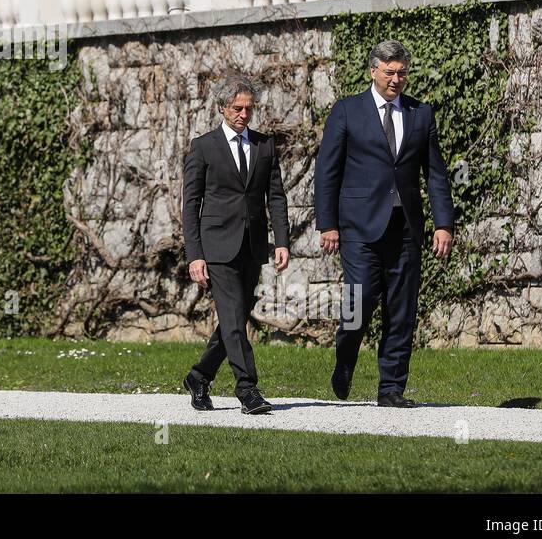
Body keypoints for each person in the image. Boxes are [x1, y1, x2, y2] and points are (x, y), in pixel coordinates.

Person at [314, 39, 455, 407]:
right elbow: (327, 171)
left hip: (406, 228)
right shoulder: (347, 111)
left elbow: (435, 175)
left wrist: (444, 224)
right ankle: (345, 358)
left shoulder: (420, 114)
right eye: (389, 72)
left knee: (401, 309)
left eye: (402, 72)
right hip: (359, 229)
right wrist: (327, 223)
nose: (396, 79)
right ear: (373, 71)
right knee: (357, 303)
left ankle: (391, 388)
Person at [181, 74, 291, 414]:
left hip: (253, 247)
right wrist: (195, 255)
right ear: (222, 108)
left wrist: (282, 241)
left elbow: (276, 197)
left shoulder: (264, 145)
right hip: (216, 248)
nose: (243, 115)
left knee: (234, 317)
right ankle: (248, 389)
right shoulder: (203, 147)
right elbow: (191, 204)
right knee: (232, 319)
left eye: (249, 109)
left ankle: (199, 376)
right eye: (237, 109)